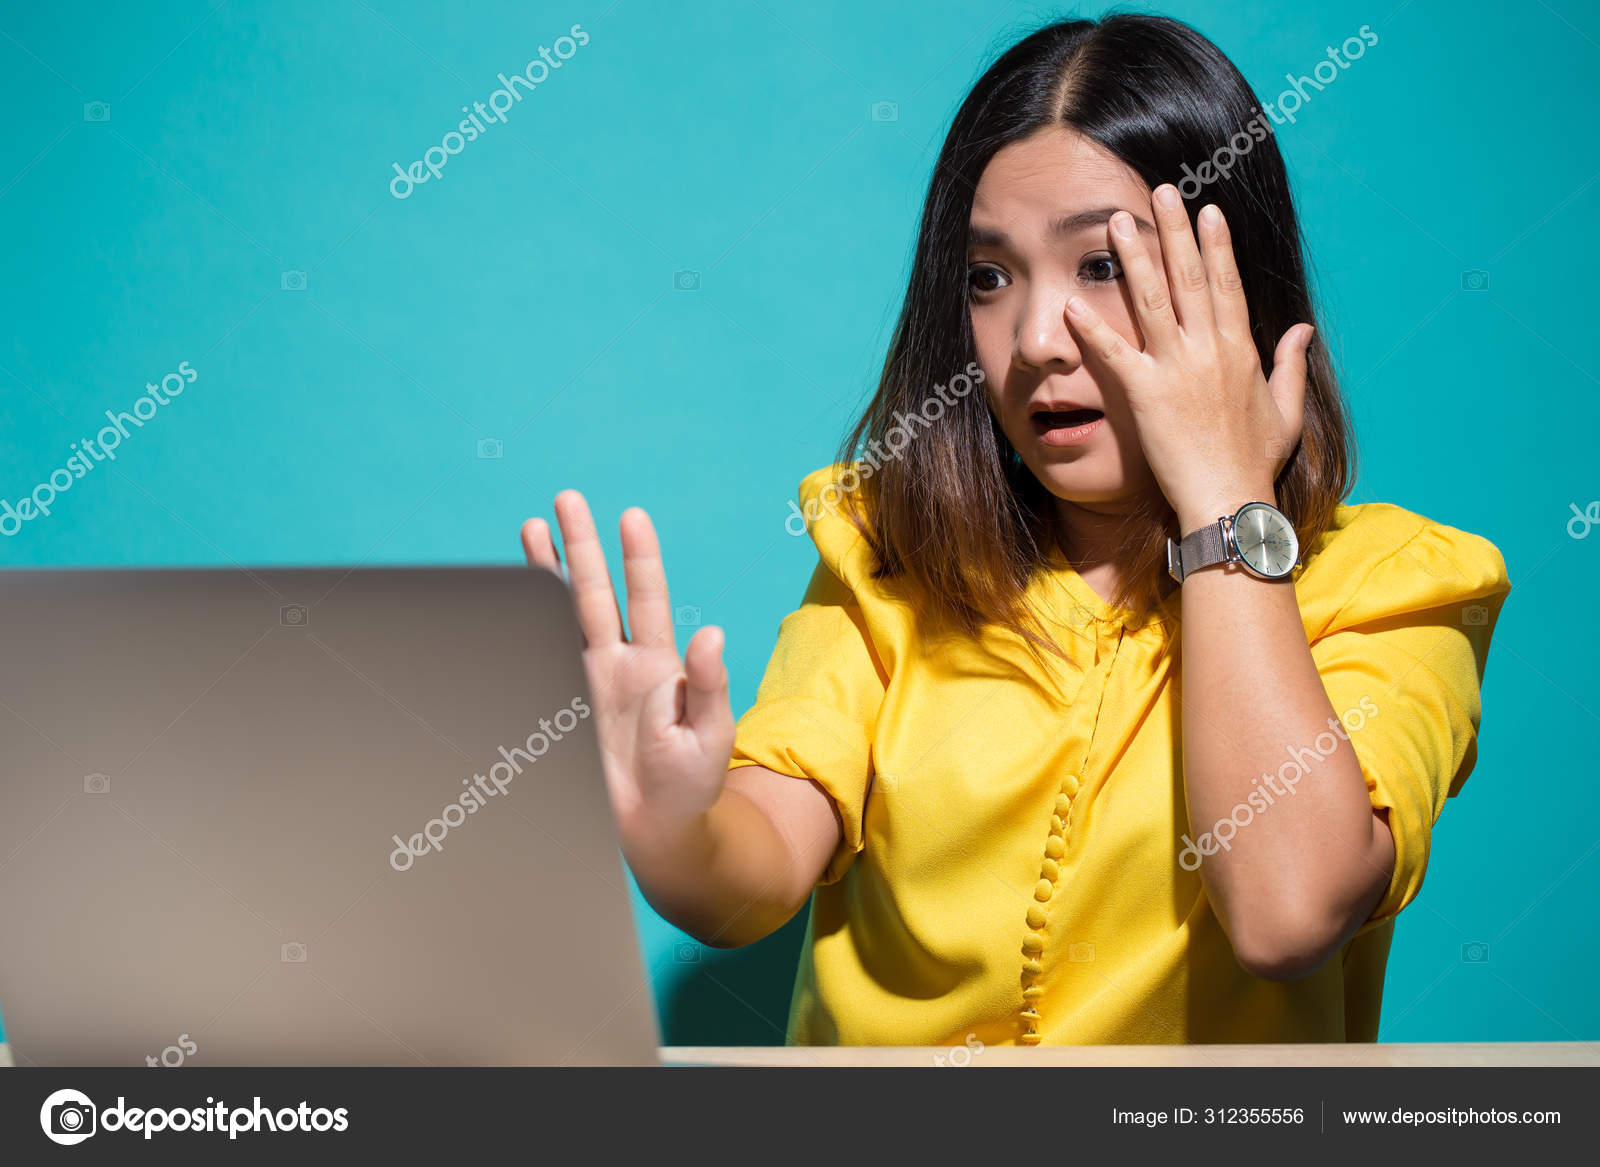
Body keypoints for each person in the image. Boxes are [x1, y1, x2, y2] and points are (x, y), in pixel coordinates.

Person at [521, 14, 1510, 1046]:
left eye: (1101, 265)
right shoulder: (887, 560)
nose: (1034, 341)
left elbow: (1287, 911)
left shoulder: (1400, 587)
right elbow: (752, 875)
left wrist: (1223, 494)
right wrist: (672, 827)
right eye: (988, 277)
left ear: (1239, 289)